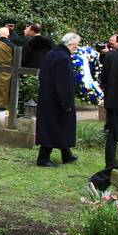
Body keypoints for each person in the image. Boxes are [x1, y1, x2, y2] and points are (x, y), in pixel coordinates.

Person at [89, 28, 118, 192]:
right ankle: (107, 175)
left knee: (113, 137)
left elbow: (104, 80)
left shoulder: (110, 56)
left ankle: (109, 169)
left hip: (112, 102)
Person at [35, 32, 80, 167]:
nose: (76, 49)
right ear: (70, 44)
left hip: (47, 96)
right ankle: (43, 158)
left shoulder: (51, 54)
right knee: (55, 127)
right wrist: (66, 102)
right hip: (56, 100)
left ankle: (66, 154)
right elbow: (63, 83)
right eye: (76, 46)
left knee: (59, 126)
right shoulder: (63, 58)